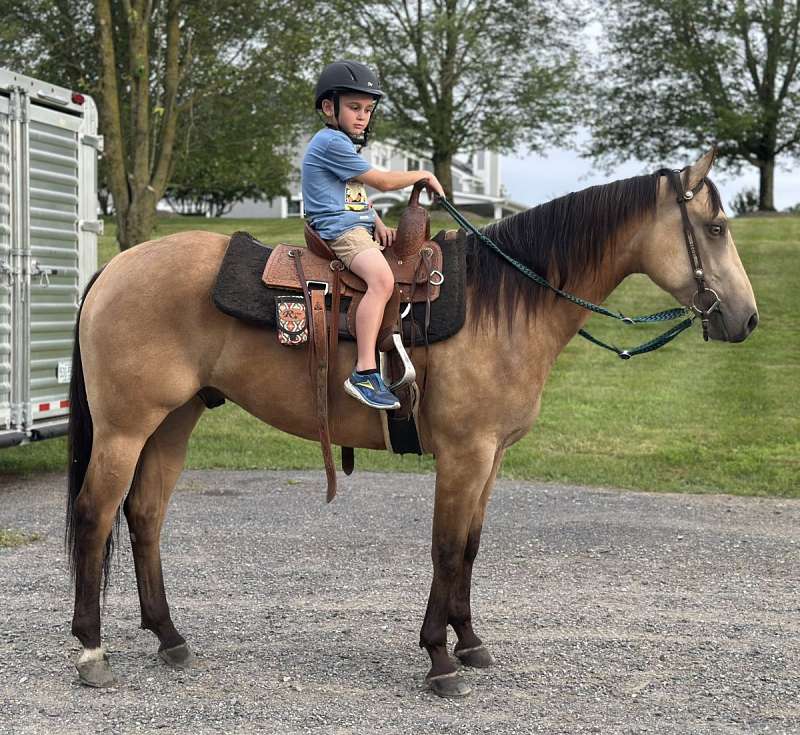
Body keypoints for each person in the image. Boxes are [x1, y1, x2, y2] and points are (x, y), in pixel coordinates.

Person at [302, 60, 445, 410]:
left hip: (355, 226)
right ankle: (364, 371)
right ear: (328, 107)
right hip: (339, 232)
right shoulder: (330, 142)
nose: (362, 116)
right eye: (354, 107)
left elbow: (354, 192)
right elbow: (379, 181)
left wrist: (375, 220)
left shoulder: (343, 145)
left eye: (368, 109)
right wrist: (421, 174)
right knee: (381, 281)